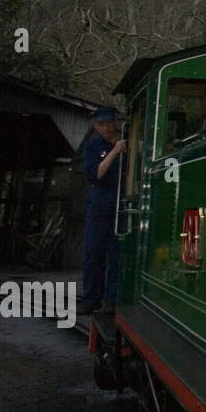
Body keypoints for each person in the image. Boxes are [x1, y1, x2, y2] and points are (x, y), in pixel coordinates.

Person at [80, 106, 125, 314]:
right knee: (93, 250)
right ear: (95, 126)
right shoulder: (92, 146)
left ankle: (113, 299)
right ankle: (91, 298)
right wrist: (115, 151)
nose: (106, 128)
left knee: (118, 253)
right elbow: (95, 174)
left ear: (115, 121)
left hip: (123, 202)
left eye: (108, 123)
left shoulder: (130, 139)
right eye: (100, 124)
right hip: (99, 202)